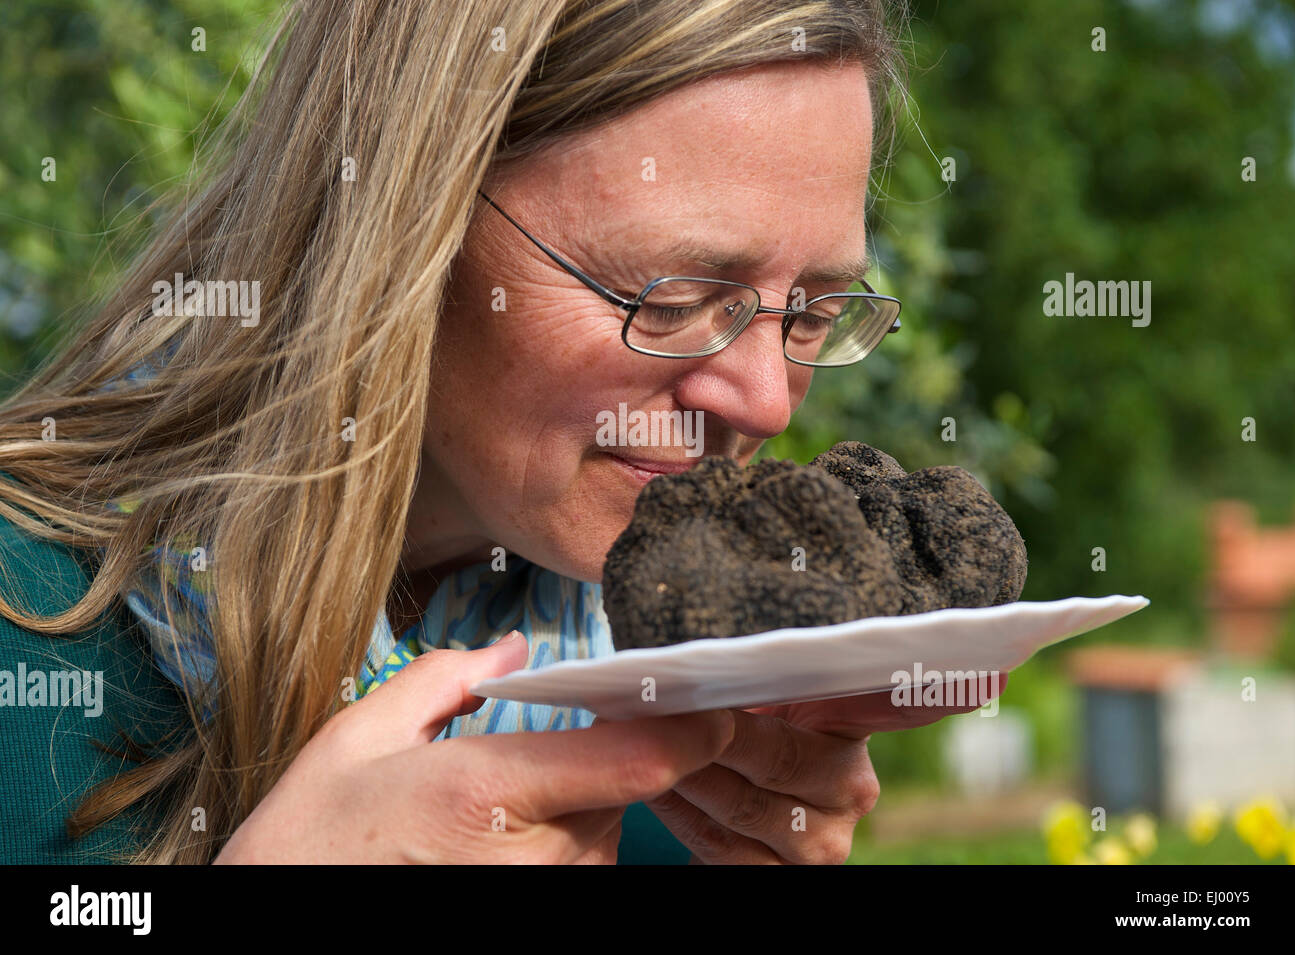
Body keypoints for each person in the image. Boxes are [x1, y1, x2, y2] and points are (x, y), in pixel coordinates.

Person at [0, 0, 998, 864]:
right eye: (675, 296)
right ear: (406, 229)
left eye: (815, 311)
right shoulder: (31, 650)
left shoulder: (673, 765)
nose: (766, 401)